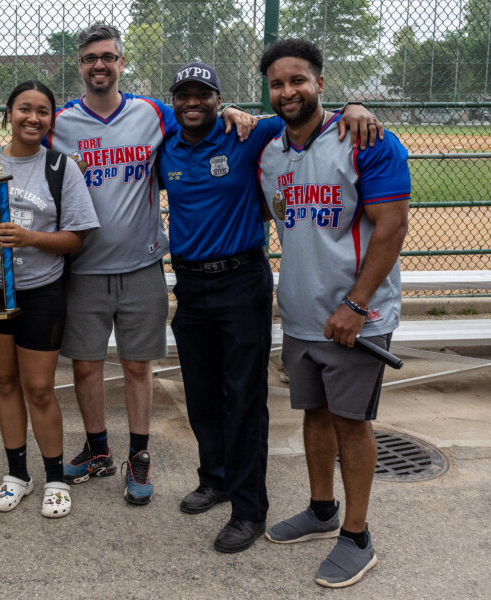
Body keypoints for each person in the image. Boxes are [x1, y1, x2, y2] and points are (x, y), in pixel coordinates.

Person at [158, 62, 384, 554]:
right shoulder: (167, 144)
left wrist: (355, 107)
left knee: (242, 399)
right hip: (191, 287)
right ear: (174, 101)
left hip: (241, 281)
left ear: (221, 100)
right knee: (200, 395)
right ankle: (214, 478)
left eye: (204, 95)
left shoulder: (250, 135)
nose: (193, 103)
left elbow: (304, 114)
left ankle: (248, 509)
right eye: (184, 95)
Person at [47, 24, 259, 506]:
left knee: (138, 367)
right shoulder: (60, 124)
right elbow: (23, 145)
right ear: (79, 65)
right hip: (83, 268)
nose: (98, 65)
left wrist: (228, 109)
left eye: (107, 56)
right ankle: (98, 449)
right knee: (85, 367)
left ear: (121, 63)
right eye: (89, 58)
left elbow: (197, 114)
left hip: (142, 265)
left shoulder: (152, 114)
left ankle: (138, 455)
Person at [257, 39, 410, 588]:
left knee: (352, 423)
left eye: (298, 80)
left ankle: (357, 535)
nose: (288, 91)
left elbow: (391, 229)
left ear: (320, 84)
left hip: (356, 317)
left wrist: (355, 304)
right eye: (277, 83)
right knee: (314, 415)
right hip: (301, 315)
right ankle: (322, 510)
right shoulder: (270, 151)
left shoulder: (365, 139)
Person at [0, 81, 99, 518]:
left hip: (42, 290)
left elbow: (77, 238)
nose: (33, 118)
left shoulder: (60, 167)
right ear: (8, 113)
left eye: (43, 111)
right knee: (5, 384)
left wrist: (31, 238)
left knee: (40, 388)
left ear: (51, 119)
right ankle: (16, 475)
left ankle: (55, 478)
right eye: (24, 109)